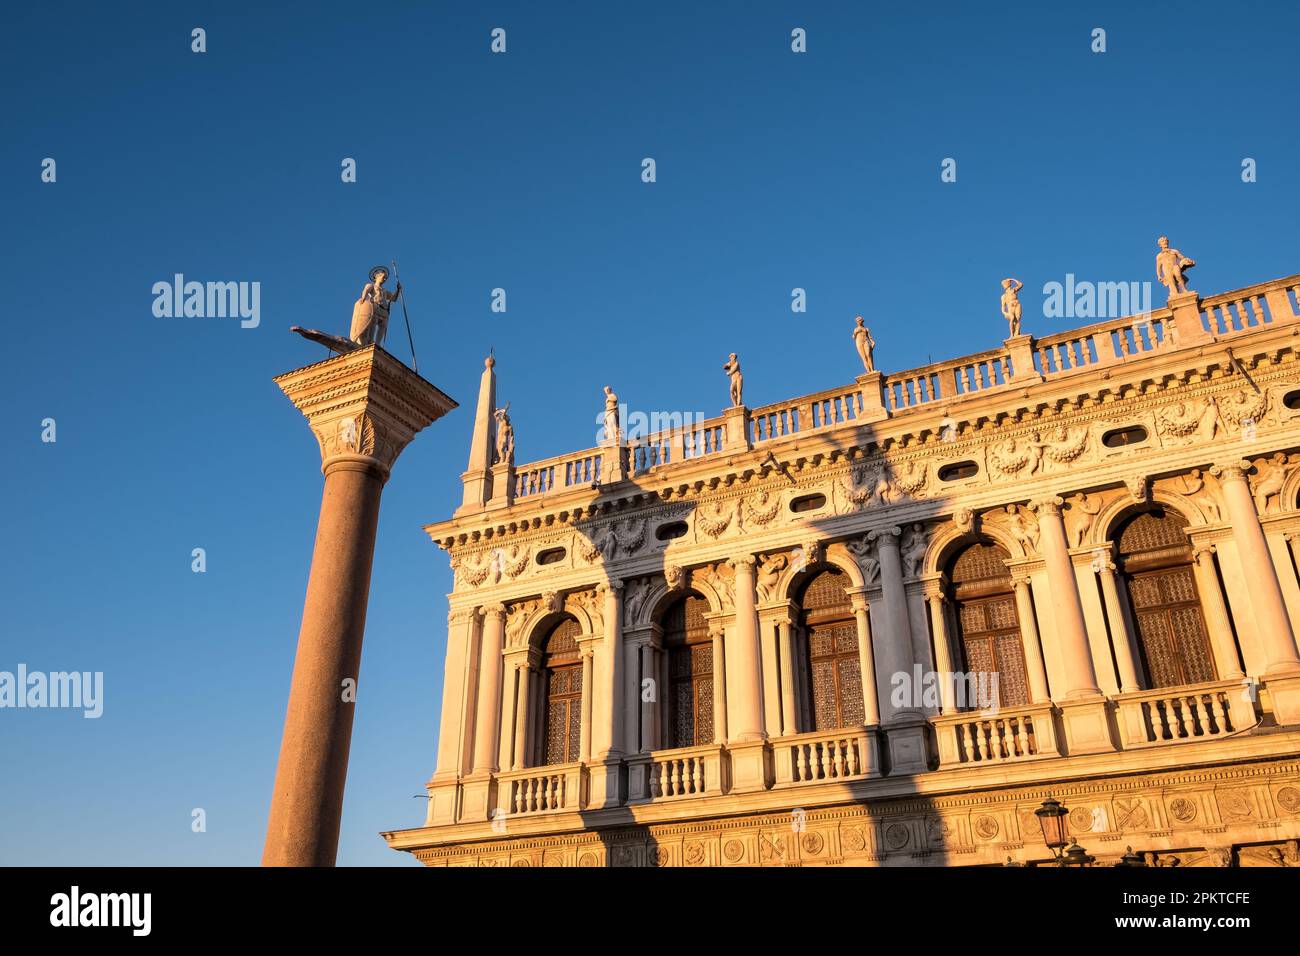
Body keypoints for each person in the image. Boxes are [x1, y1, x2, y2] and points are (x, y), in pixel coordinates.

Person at [350, 266, 401, 347]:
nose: (384, 279)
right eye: (383, 277)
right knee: (373, 326)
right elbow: (365, 291)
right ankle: (370, 343)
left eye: (385, 279)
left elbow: (394, 299)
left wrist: (398, 290)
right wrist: (363, 298)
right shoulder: (371, 286)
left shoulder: (385, 291)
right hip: (375, 307)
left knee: (382, 327)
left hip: (384, 311)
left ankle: (378, 345)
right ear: (377, 277)